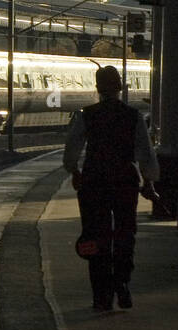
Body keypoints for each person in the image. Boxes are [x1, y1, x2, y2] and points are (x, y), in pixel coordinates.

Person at [63, 65, 159, 311]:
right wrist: (148, 181)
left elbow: (72, 149)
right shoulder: (133, 116)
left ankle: (101, 296)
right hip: (125, 180)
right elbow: (145, 152)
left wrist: (74, 171)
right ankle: (123, 283)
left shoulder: (87, 114)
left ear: (97, 89)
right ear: (120, 88)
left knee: (96, 235)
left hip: (94, 180)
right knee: (126, 233)